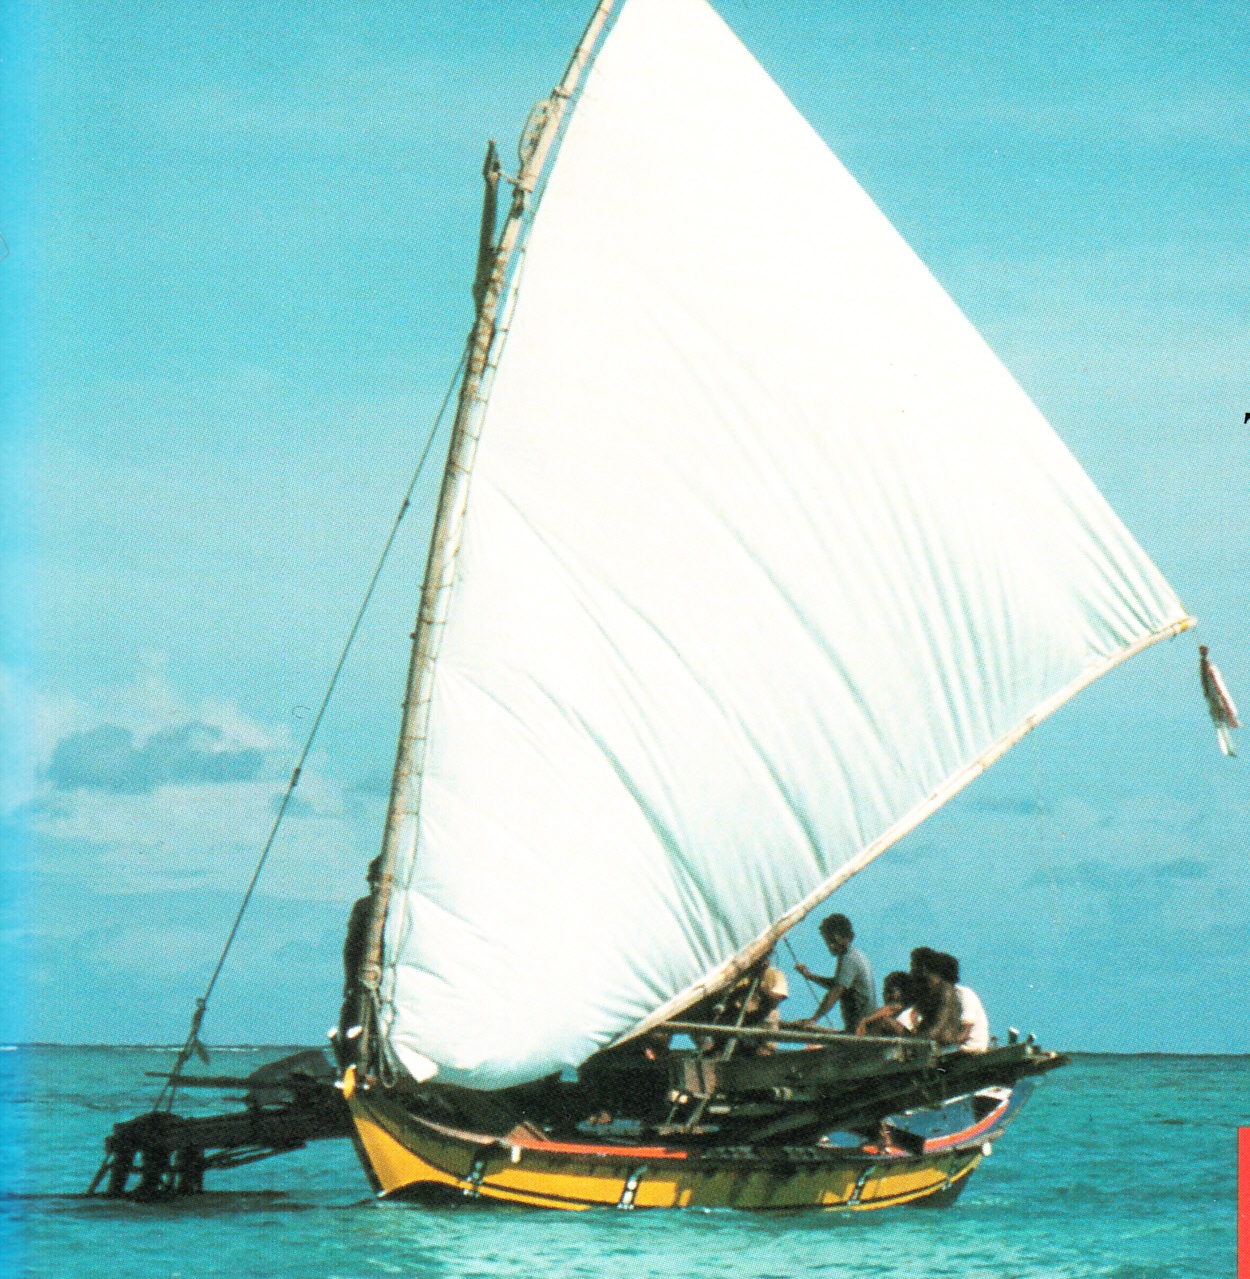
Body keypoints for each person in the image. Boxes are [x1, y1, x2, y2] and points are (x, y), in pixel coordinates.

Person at [794, 914, 877, 1032]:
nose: (831, 945)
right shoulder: (854, 955)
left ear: (845, 938)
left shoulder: (849, 959)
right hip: (859, 1027)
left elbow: (835, 992)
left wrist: (813, 1019)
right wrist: (810, 976)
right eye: (829, 941)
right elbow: (837, 984)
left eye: (834, 941)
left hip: (862, 1029)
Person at [339, 855, 382, 1046]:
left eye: (377, 880)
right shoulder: (364, 907)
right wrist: (350, 979)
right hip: (364, 980)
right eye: (372, 880)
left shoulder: (402, 908)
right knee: (353, 1026)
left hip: (387, 981)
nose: (374, 885)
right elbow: (351, 946)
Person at [929, 951, 989, 1052]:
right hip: (957, 1050)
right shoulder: (943, 1000)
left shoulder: (965, 995)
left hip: (971, 1049)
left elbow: (965, 1033)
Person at [907, 947, 963, 1046]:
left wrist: (923, 1039)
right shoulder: (929, 991)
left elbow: (943, 1020)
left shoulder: (946, 990)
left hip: (942, 1040)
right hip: (930, 1038)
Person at [855, 971, 916, 1037]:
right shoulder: (882, 1016)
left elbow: (913, 1039)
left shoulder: (913, 1015)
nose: (887, 996)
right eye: (885, 991)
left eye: (890, 992)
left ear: (905, 993)